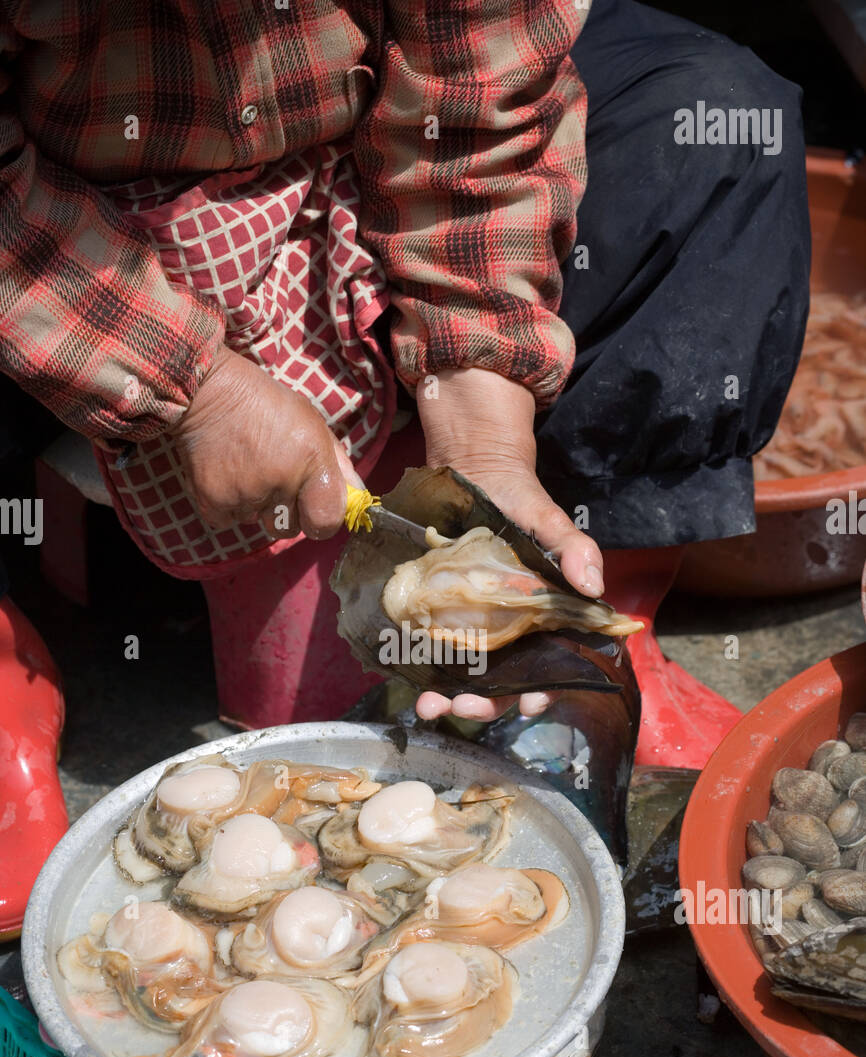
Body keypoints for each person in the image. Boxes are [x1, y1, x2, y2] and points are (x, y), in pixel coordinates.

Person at [0, 0, 809, 744]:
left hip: (369, 148)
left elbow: (482, 109)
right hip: (85, 232)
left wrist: (483, 422)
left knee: (718, 114)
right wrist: (190, 390)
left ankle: (607, 624)